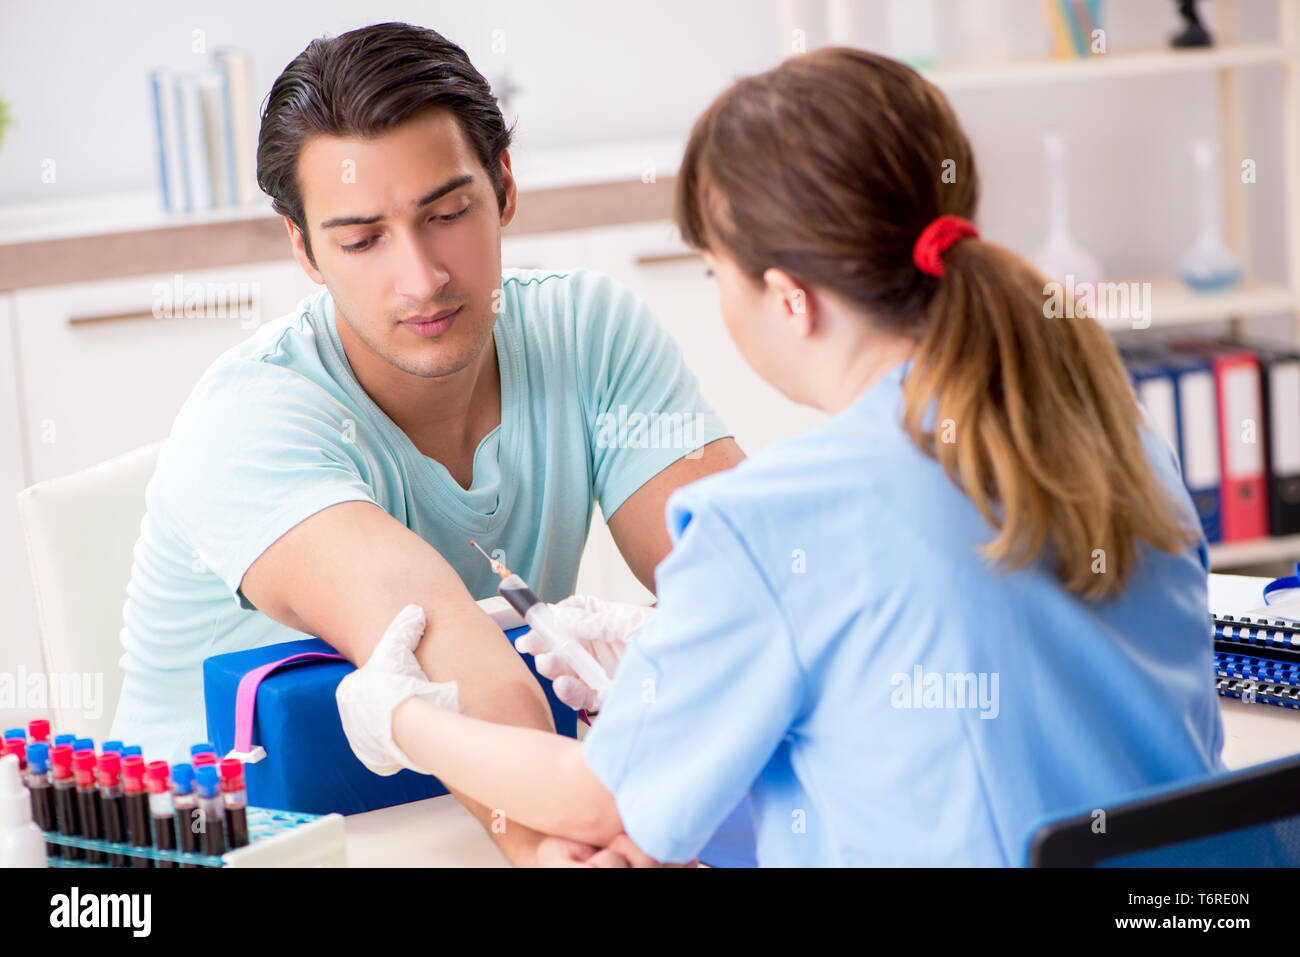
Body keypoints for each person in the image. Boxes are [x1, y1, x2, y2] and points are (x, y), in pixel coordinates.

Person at [334, 46, 1225, 867]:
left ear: (789, 297)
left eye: (715, 270)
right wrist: (681, 691)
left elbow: (600, 804)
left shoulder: (777, 518)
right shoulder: (1109, 432)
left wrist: (405, 718)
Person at [108, 22, 742, 867]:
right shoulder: (252, 419)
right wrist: (567, 844)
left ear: (504, 187)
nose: (422, 277)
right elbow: (449, 660)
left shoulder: (587, 332)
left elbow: (746, 585)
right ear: (305, 249)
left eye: (446, 214)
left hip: (446, 812)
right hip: (217, 851)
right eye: (363, 240)